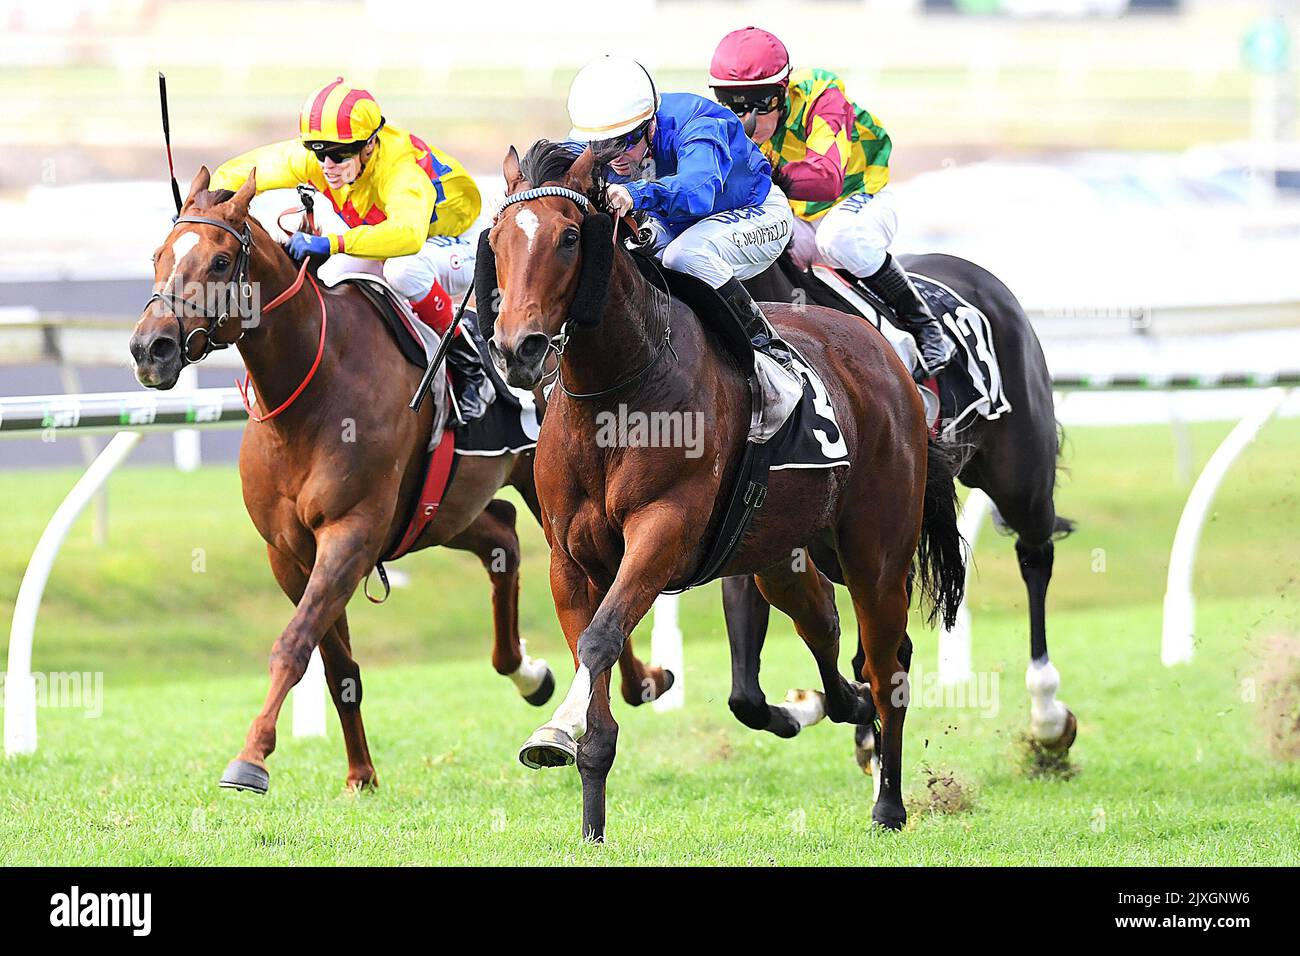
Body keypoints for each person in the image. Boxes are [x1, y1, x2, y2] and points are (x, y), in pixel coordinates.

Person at [210, 77, 490, 420]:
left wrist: (332, 242)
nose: (327, 165)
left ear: (369, 146)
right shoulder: (321, 159)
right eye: (318, 151)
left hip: (461, 243)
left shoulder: (401, 170)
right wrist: (200, 209)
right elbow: (237, 172)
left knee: (402, 270)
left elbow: (407, 236)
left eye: (339, 155)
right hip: (402, 241)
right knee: (336, 278)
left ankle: (467, 359)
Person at [709, 27, 956, 380]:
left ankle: (925, 326)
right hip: (800, 214)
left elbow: (827, 179)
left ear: (783, 90)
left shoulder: (823, 97)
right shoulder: (727, 122)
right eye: (734, 102)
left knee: (838, 237)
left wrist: (761, 171)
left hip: (858, 196)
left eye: (761, 102)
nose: (748, 117)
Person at [566, 55, 794, 362]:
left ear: (651, 124)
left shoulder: (698, 123)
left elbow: (698, 190)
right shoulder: (602, 131)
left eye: (626, 141)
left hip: (756, 210)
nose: (616, 157)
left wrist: (634, 193)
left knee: (683, 256)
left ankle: (767, 347)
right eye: (604, 146)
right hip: (679, 221)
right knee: (631, 252)